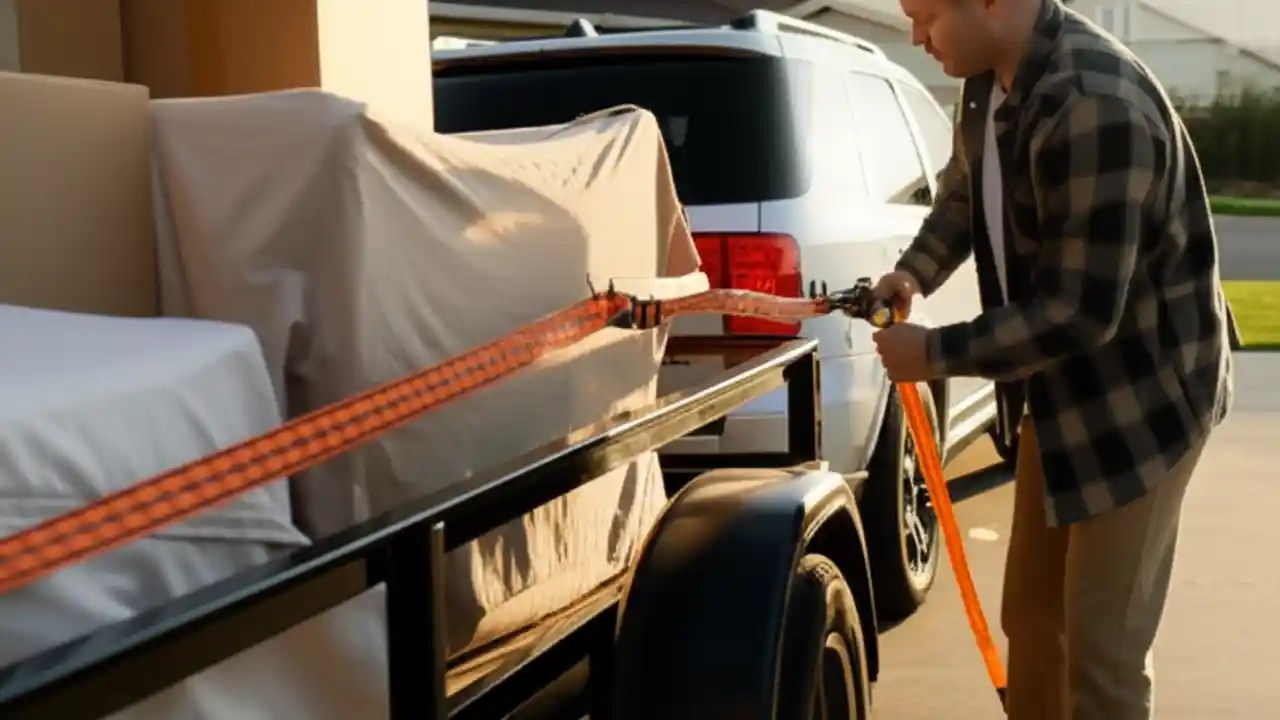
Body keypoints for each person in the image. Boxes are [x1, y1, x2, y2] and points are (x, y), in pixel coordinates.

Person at [871, 0, 1236, 718]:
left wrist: (935, 354)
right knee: (1035, 621)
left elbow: (1079, 313)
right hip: (1059, 389)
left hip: (1144, 405)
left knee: (1102, 653)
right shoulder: (987, 80)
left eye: (925, 15)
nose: (915, 37)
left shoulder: (1095, 104)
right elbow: (964, 194)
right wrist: (911, 274)